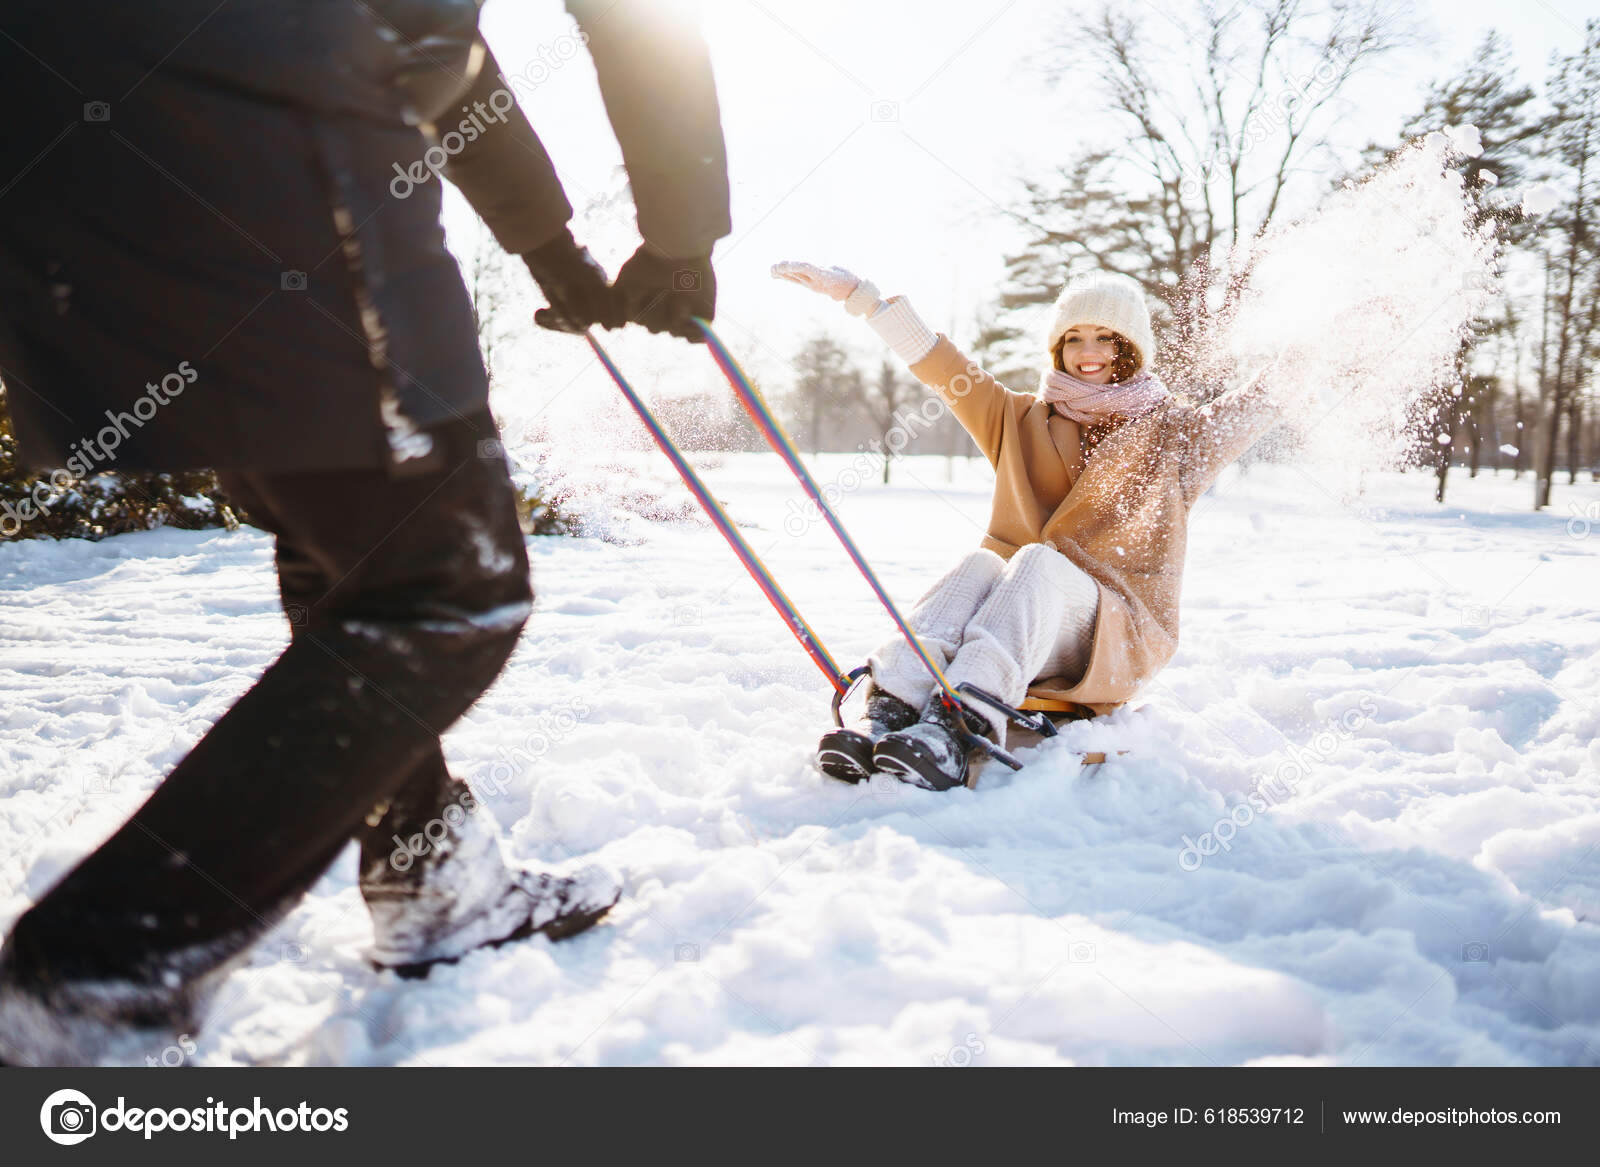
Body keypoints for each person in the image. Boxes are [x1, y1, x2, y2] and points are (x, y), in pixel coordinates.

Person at [0, 0, 729, 1066]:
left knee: (358, 544)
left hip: (68, 127)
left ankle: (430, 865)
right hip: (268, 128)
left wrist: (550, 247)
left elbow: (427, 33)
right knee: (445, 584)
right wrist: (680, 239)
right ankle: (96, 971)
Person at [773, 261, 1285, 791]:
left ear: (1130, 348)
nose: (1087, 352)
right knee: (980, 564)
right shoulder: (1019, 421)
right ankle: (889, 709)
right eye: (1073, 338)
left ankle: (960, 726)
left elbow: (1259, 403)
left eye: (1105, 337)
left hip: (1110, 631)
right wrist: (863, 300)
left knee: (1039, 560)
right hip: (1013, 617)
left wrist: (1324, 344)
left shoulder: (1175, 437)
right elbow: (944, 368)